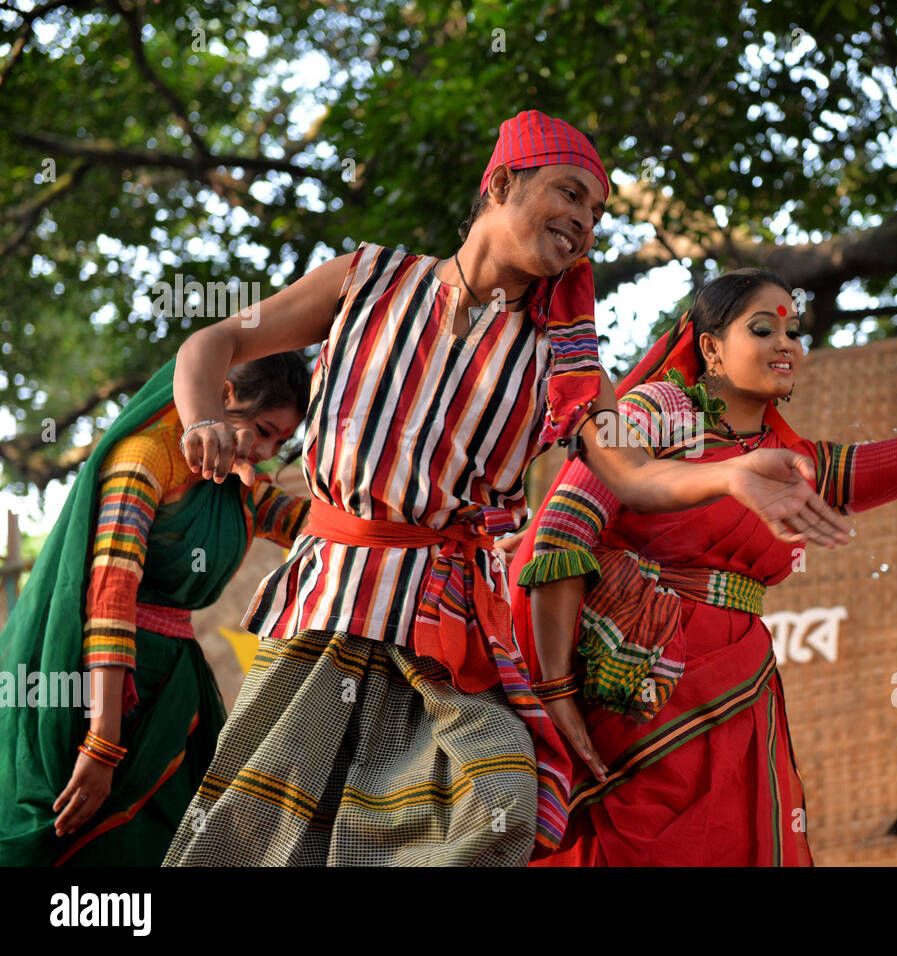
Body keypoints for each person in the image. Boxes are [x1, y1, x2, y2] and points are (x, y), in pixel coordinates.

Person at [162, 110, 851, 867]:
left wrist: (727, 473)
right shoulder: (368, 278)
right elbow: (215, 341)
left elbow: (628, 469)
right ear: (500, 184)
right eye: (570, 194)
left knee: (498, 808)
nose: (585, 221)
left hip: (450, 634)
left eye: (597, 212)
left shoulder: (564, 360)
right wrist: (201, 420)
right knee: (255, 839)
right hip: (334, 605)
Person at [511, 268, 897, 865]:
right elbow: (562, 532)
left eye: (795, 331)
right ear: (710, 347)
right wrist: (555, 692)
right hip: (641, 687)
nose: (786, 343)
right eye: (763, 328)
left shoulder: (800, 466)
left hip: (740, 687)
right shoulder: (660, 412)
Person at [0, 352, 311, 865]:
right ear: (224, 395)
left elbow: (312, 526)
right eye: (262, 430)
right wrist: (103, 746)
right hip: (107, 693)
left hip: (177, 690)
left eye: (280, 443)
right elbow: (110, 597)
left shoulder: (237, 483)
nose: (265, 452)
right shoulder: (144, 458)